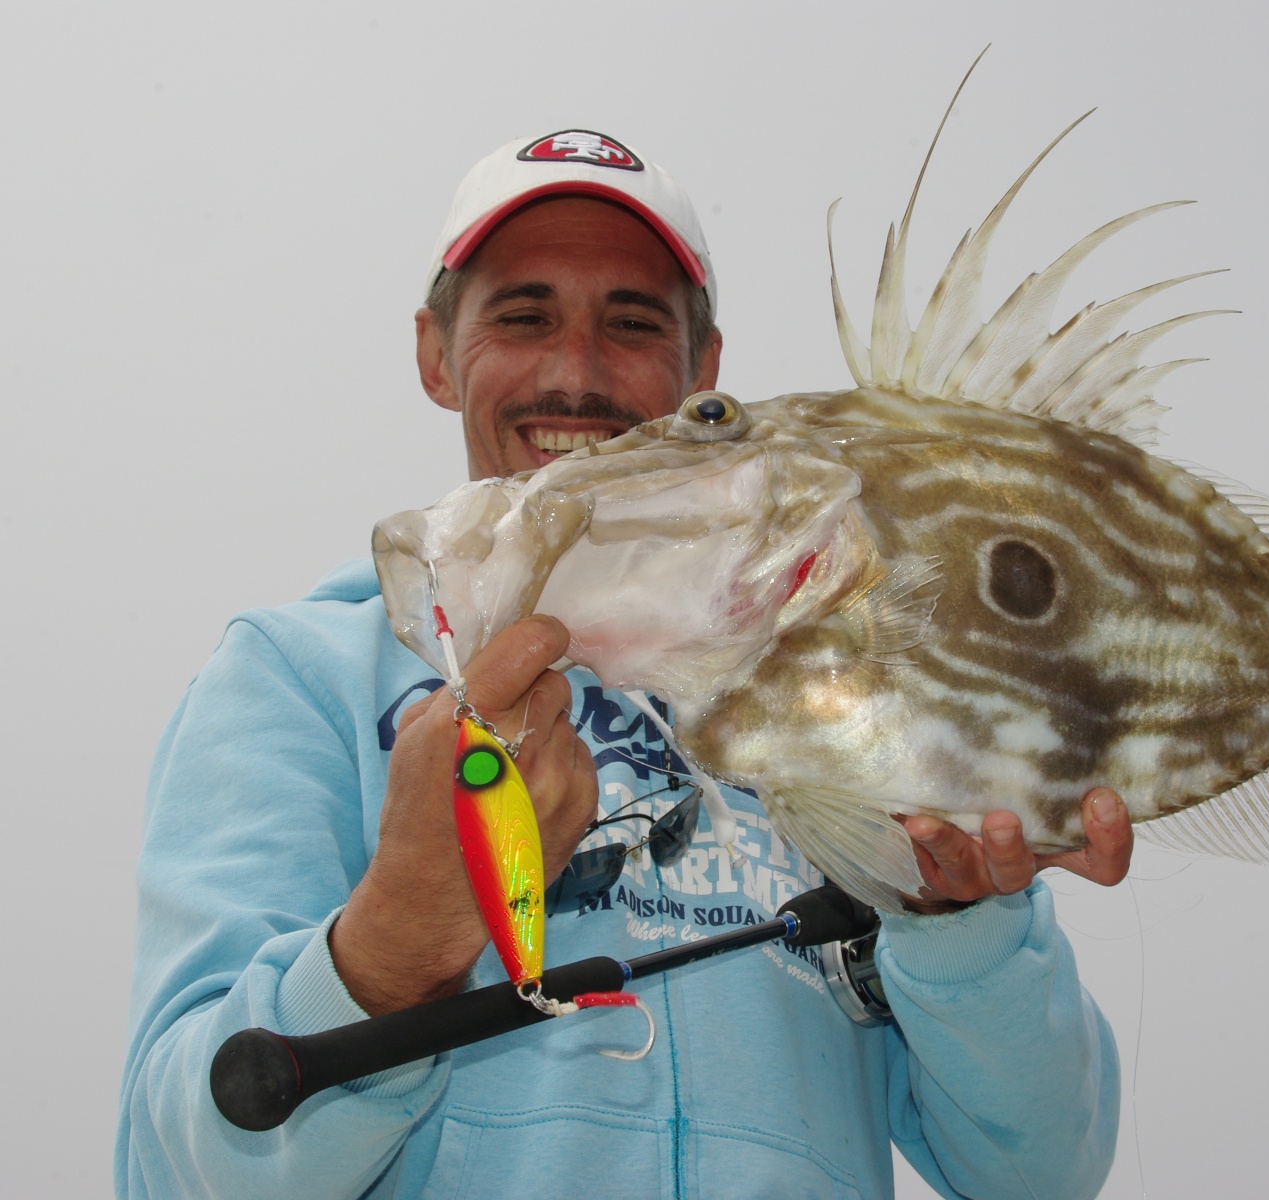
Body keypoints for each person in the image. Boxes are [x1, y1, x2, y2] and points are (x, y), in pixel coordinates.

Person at [117, 127, 1134, 1200]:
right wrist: (396, 939)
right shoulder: (299, 676)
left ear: (703, 369)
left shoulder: (843, 681)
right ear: (435, 354)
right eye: (524, 315)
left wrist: (959, 926)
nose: (576, 373)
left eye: (634, 322)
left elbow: (1039, 1173)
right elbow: (180, 1168)